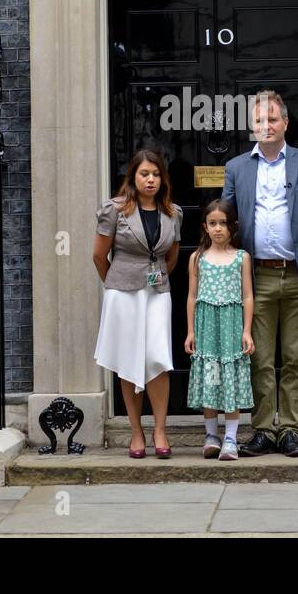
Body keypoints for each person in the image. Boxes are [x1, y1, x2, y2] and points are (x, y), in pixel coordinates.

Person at [221, 90, 298, 458]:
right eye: (258, 121)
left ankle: (289, 429)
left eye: (271, 119)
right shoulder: (237, 168)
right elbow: (226, 221)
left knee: (297, 355)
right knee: (259, 356)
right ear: (251, 126)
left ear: (285, 123)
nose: (265, 126)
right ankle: (264, 430)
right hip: (256, 277)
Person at [93, 149, 184, 459]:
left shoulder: (173, 212)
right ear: (133, 176)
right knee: (129, 359)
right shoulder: (114, 210)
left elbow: (172, 256)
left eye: (156, 175)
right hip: (122, 292)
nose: (151, 180)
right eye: (145, 174)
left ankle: (160, 429)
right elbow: (98, 255)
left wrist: (154, 277)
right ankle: (136, 432)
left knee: (158, 358)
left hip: (158, 291)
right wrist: (116, 283)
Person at [184, 199, 255, 461]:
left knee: (230, 381)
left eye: (223, 223)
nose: (218, 229)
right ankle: (211, 436)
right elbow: (191, 297)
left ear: (233, 226)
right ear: (204, 227)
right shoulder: (197, 258)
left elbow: (248, 296)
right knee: (211, 379)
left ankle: (230, 439)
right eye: (212, 224)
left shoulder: (241, 258)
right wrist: (191, 331)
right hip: (207, 330)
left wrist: (246, 331)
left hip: (232, 329)